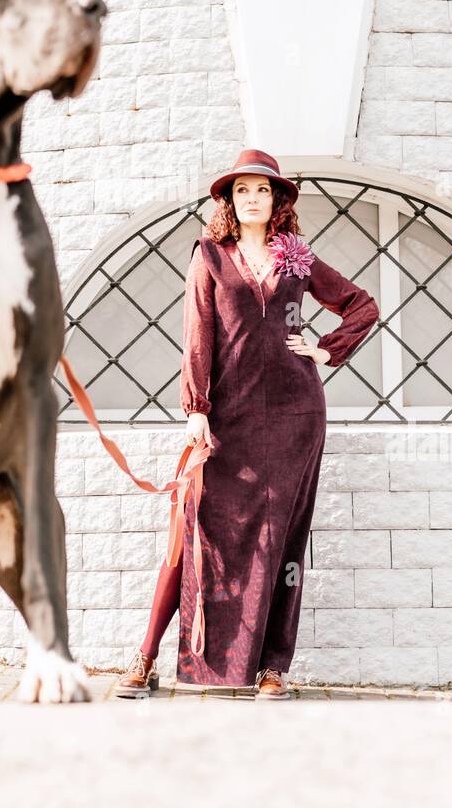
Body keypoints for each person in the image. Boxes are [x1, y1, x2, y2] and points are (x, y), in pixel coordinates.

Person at [114, 148, 379, 700]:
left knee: (282, 540)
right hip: (225, 417)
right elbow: (198, 337)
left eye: (263, 189)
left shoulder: (296, 258)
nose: (253, 198)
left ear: (277, 199)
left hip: (294, 416)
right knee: (193, 533)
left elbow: (361, 306)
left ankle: (272, 667)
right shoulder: (209, 256)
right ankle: (145, 656)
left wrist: (325, 351)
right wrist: (196, 410)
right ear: (230, 201)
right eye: (242, 190)